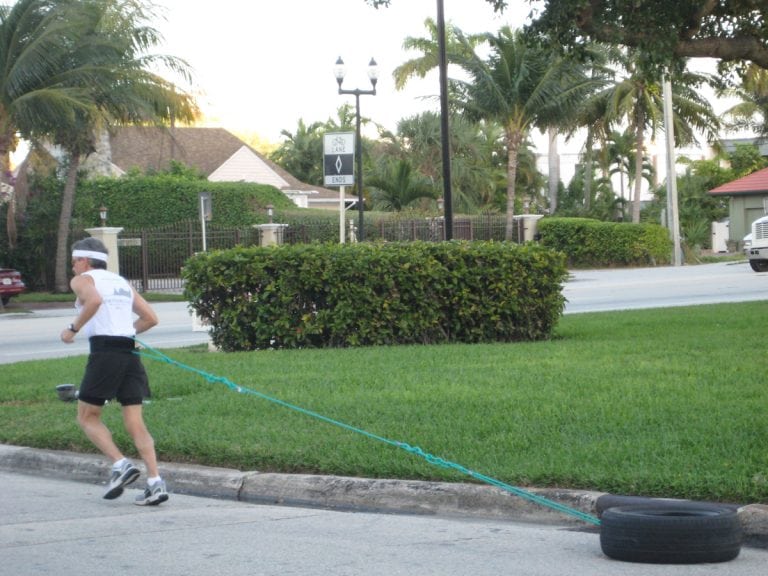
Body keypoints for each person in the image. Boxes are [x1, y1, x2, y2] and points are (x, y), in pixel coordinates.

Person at [60, 237, 168, 506]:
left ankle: (121, 465)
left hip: (105, 352)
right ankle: (155, 482)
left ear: (84, 260)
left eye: (74, 261)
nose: (73, 267)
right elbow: (151, 318)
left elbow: (94, 301)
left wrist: (72, 329)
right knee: (135, 421)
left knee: (87, 416)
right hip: (129, 352)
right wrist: (125, 333)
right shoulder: (121, 282)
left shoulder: (83, 280)